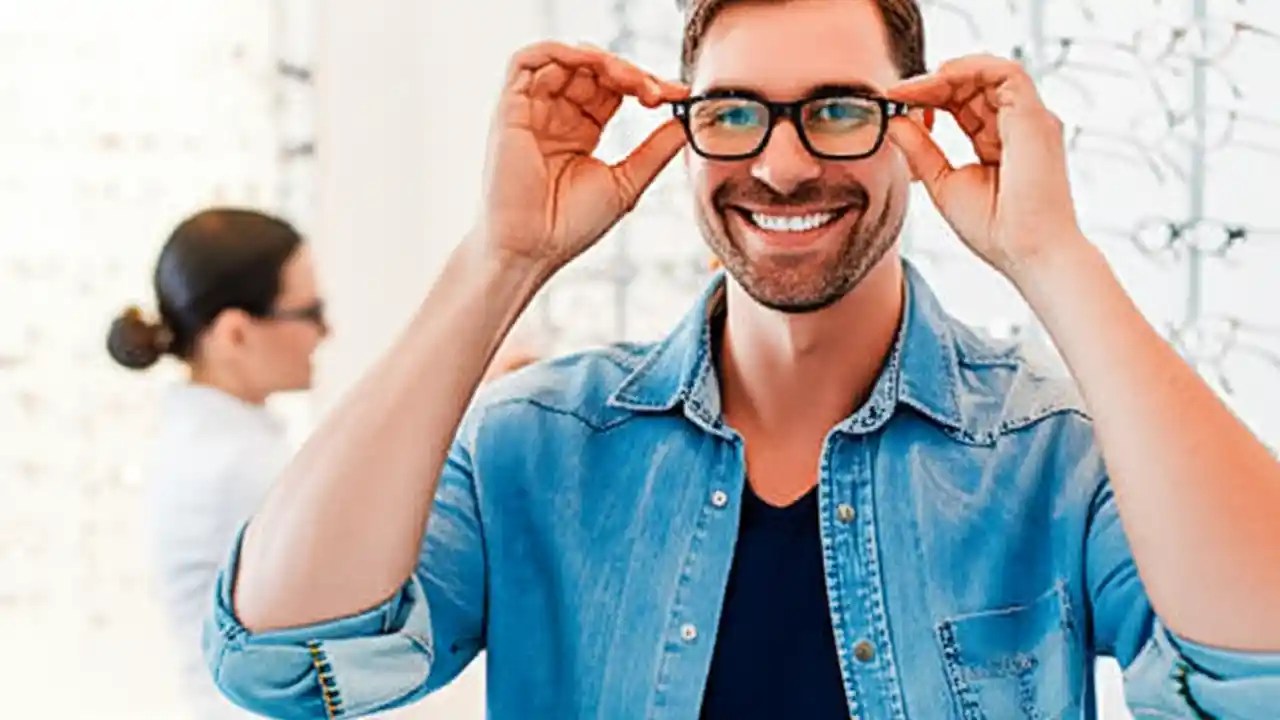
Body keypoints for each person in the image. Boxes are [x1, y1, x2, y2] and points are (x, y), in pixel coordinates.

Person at [203, 1, 1280, 718]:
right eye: (731, 113)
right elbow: (285, 661)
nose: (779, 162)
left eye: (839, 110)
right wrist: (499, 260)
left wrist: (1049, 256)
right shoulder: (533, 443)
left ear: (913, 126)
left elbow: (1257, 672)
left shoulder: (1053, 454)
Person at [107, 208, 328, 719]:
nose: (325, 332)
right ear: (234, 333)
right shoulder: (233, 467)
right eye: (309, 311)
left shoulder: (214, 443)